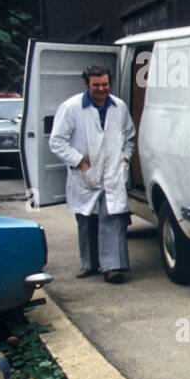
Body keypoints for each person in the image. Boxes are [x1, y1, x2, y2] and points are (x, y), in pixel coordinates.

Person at [49, 64, 136, 283]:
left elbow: (129, 137)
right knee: (86, 220)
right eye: (96, 85)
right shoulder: (71, 108)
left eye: (105, 84)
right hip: (85, 172)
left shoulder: (120, 107)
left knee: (113, 218)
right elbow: (57, 142)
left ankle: (112, 267)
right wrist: (80, 163)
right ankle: (90, 264)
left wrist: (125, 159)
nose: (101, 89)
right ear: (87, 84)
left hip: (113, 172)